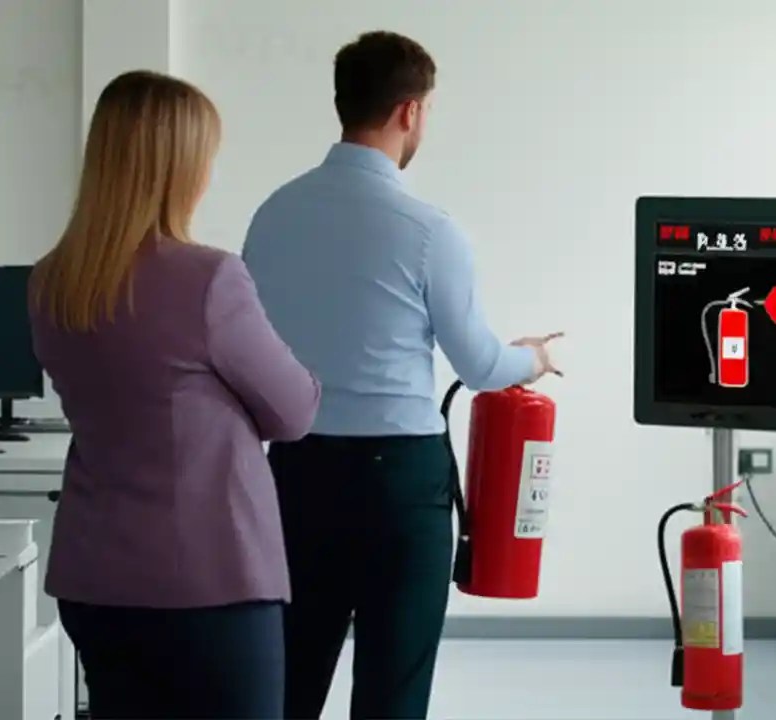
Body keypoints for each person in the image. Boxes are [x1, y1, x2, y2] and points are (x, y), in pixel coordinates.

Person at [241, 30, 562, 719]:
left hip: (299, 469)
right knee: (393, 689)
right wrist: (532, 356)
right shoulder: (426, 229)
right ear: (409, 111)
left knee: (290, 678)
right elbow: (479, 365)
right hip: (400, 484)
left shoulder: (273, 216)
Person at [27, 70, 320, 719]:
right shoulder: (210, 278)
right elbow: (294, 410)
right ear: (181, 166)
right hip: (210, 585)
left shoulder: (51, 283)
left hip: (95, 580)